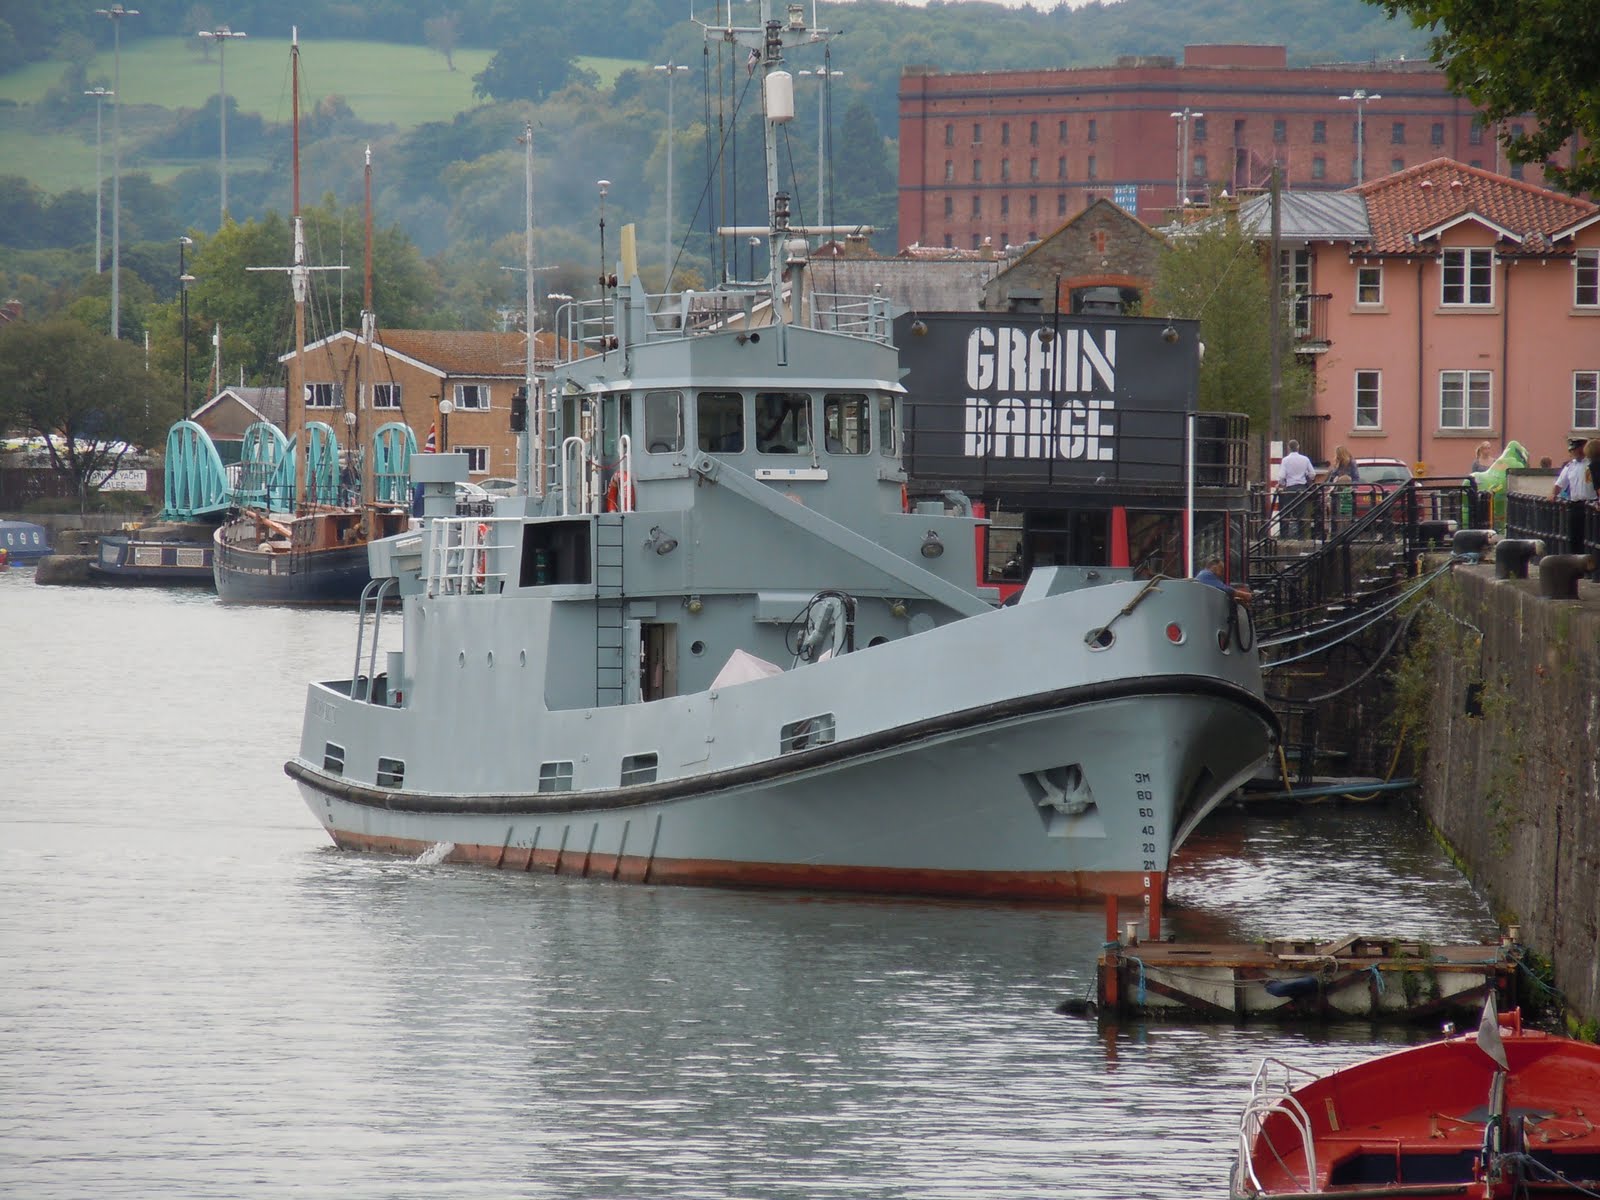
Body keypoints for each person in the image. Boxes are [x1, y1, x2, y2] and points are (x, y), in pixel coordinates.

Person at [1279, 439, 1316, 537]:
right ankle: (1301, 536)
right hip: (1302, 488)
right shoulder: (1305, 459)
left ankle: (1284, 535)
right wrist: (1306, 476)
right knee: (1301, 512)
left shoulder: (1285, 460)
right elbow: (1312, 474)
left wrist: (1282, 483)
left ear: (1288, 448)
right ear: (1298, 447)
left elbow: (1282, 476)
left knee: (1286, 512)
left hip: (1289, 488)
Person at [1325, 444, 1360, 529]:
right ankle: (1335, 530)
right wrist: (1329, 484)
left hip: (1347, 490)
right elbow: (1332, 476)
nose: (1336, 456)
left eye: (1337, 454)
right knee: (1335, 512)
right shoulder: (1338, 463)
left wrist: (1352, 488)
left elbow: (1356, 477)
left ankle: (1346, 530)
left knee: (1347, 513)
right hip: (1337, 490)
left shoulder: (1351, 463)